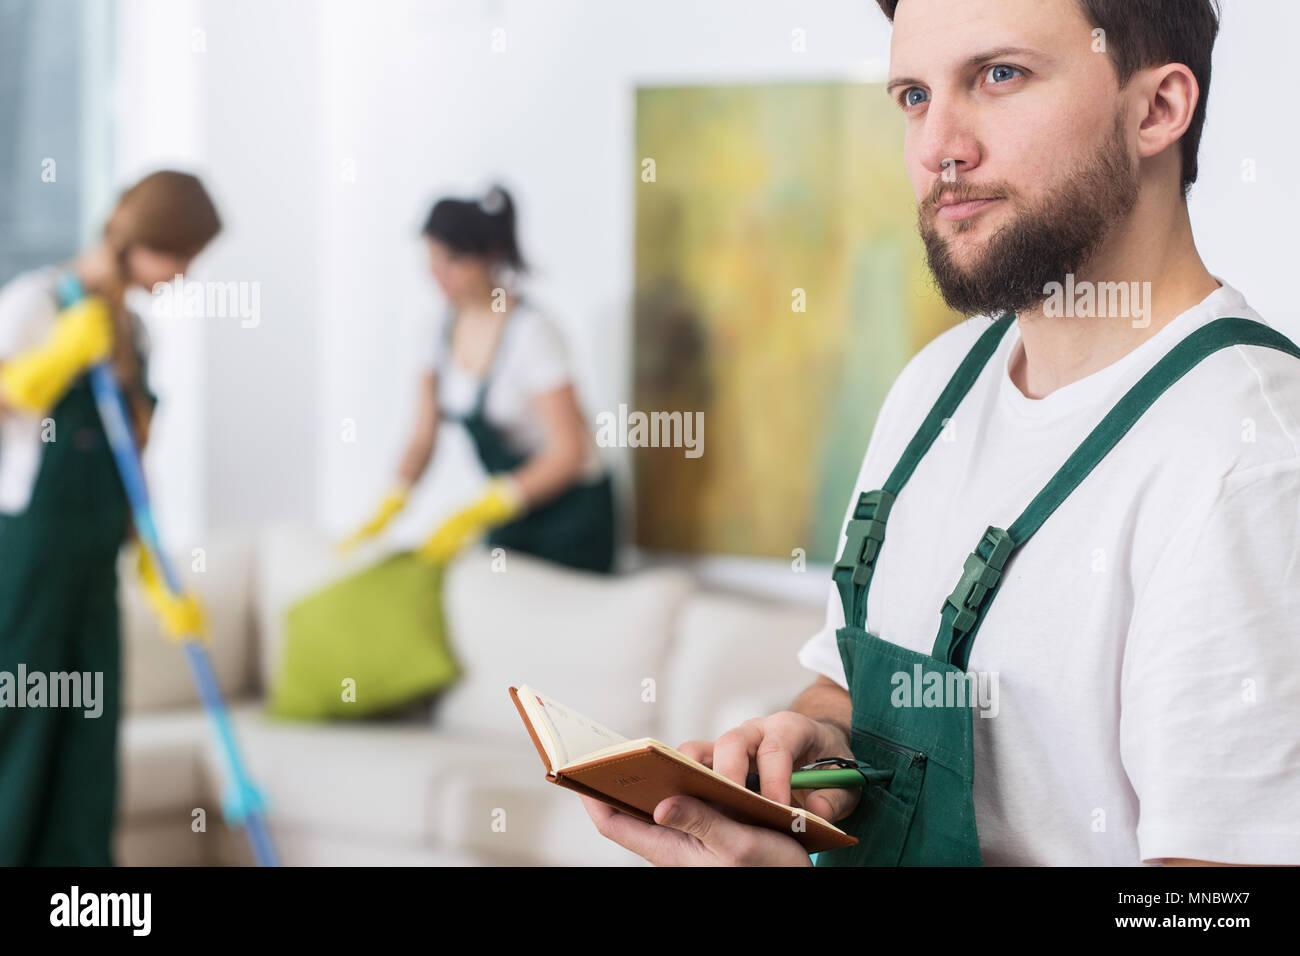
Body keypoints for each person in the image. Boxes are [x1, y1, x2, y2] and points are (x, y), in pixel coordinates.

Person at [584, 0, 1300, 866]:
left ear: (1157, 109)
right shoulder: (937, 385)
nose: (937, 147)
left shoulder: (1249, 456)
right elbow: (844, 689)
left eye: (999, 76)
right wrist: (815, 747)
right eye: (914, 96)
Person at [0, 170, 220, 865]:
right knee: (22, 723)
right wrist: (50, 361)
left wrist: (157, 573)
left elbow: (133, 465)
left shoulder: (136, 333)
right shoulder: (36, 301)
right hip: (30, 554)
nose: (183, 275)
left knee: (88, 732)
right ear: (146, 241)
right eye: (181, 257)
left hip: (97, 561)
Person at [342, 185, 617, 574]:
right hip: (512, 514)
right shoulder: (434, 331)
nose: (438, 276)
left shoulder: (531, 333)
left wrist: (493, 503)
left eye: (452, 261)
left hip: (571, 513)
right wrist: (394, 498)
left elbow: (568, 452)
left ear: (489, 257)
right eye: (432, 261)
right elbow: (422, 438)